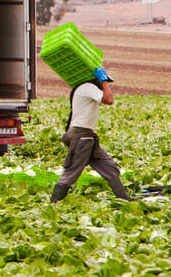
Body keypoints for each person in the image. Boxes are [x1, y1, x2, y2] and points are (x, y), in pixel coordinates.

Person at [50, 67, 132, 203]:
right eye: (104, 81)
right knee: (71, 173)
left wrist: (103, 81)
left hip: (88, 138)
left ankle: (125, 199)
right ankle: (54, 204)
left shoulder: (88, 88)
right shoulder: (88, 87)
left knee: (109, 168)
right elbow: (109, 99)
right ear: (96, 79)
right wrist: (103, 80)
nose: (106, 85)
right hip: (82, 138)